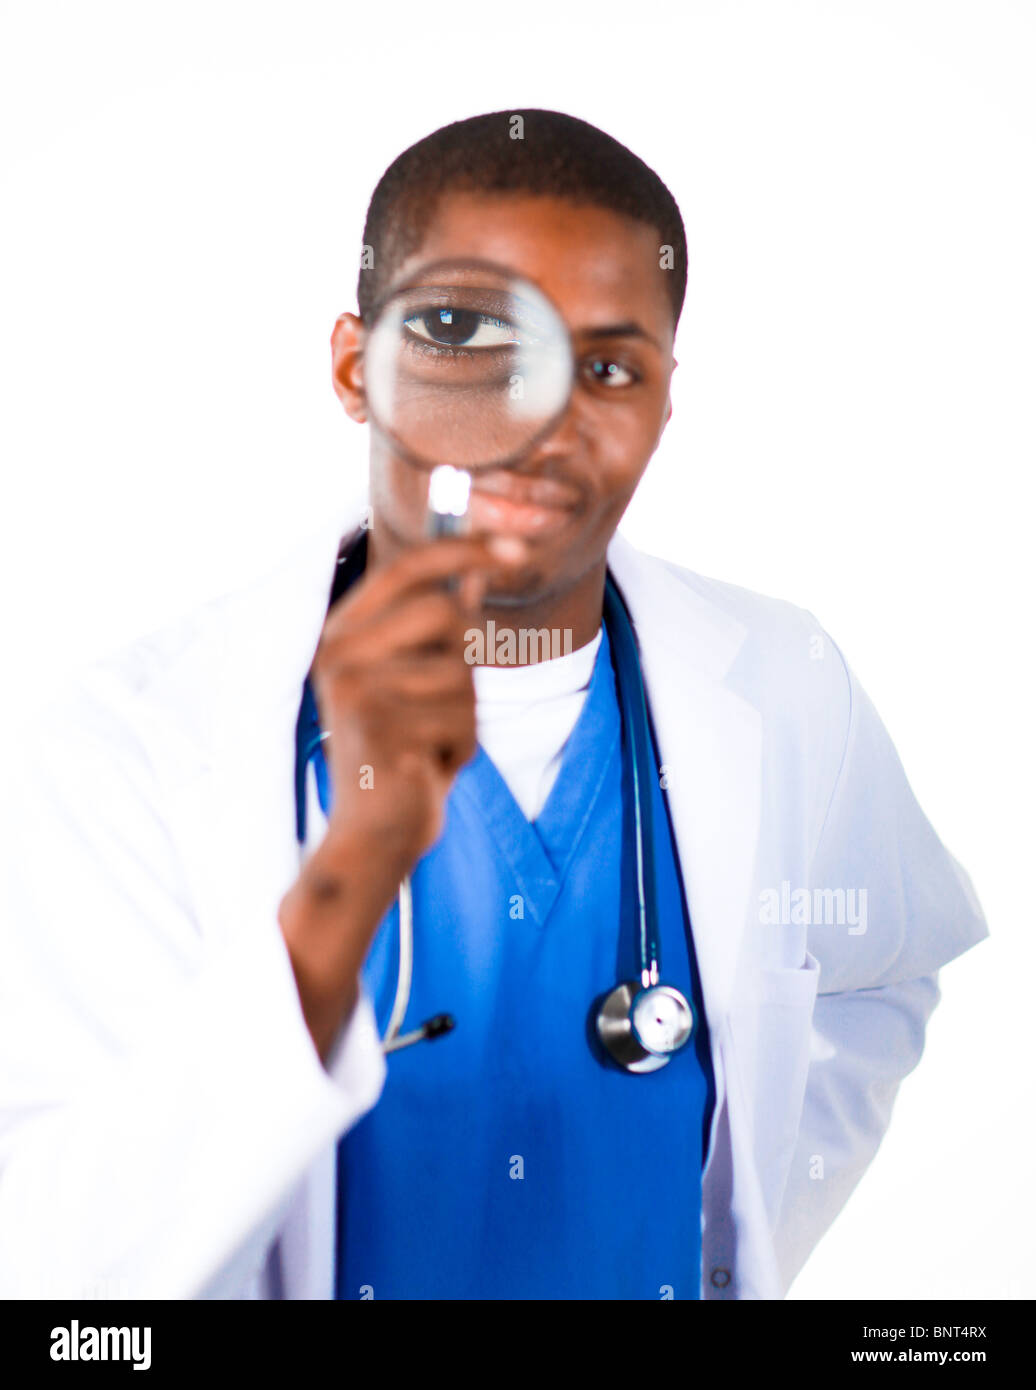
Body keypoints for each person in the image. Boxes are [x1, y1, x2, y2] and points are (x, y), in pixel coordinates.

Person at [0, 109, 988, 1301]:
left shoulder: (785, 685)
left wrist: (734, 1242)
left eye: (609, 365)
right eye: (465, 333)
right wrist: (341, 891)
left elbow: (881, 974)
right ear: (354, 366)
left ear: (664, 405)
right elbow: (60, 1269)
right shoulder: (128, 745)